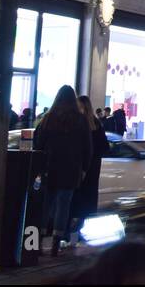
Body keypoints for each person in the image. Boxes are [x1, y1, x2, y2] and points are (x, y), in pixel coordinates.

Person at [32, 85, 92, 257]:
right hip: (71, 169)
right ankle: (56, 243)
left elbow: (38, 144)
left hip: (50, 168)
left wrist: (40, 167)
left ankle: (39, 240)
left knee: (47, 204)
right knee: (63, 205)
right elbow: (88, 147)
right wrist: (84, 168)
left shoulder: (48, 118)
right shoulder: (80, 120)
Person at [71, 95, 109, 236]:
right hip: (93, 167)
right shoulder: (96, 124)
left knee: (77, 196)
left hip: (81, 166)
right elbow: (104, 146)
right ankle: (83, 229)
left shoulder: (78, 123)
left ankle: (74, 230)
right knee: (88, 198)